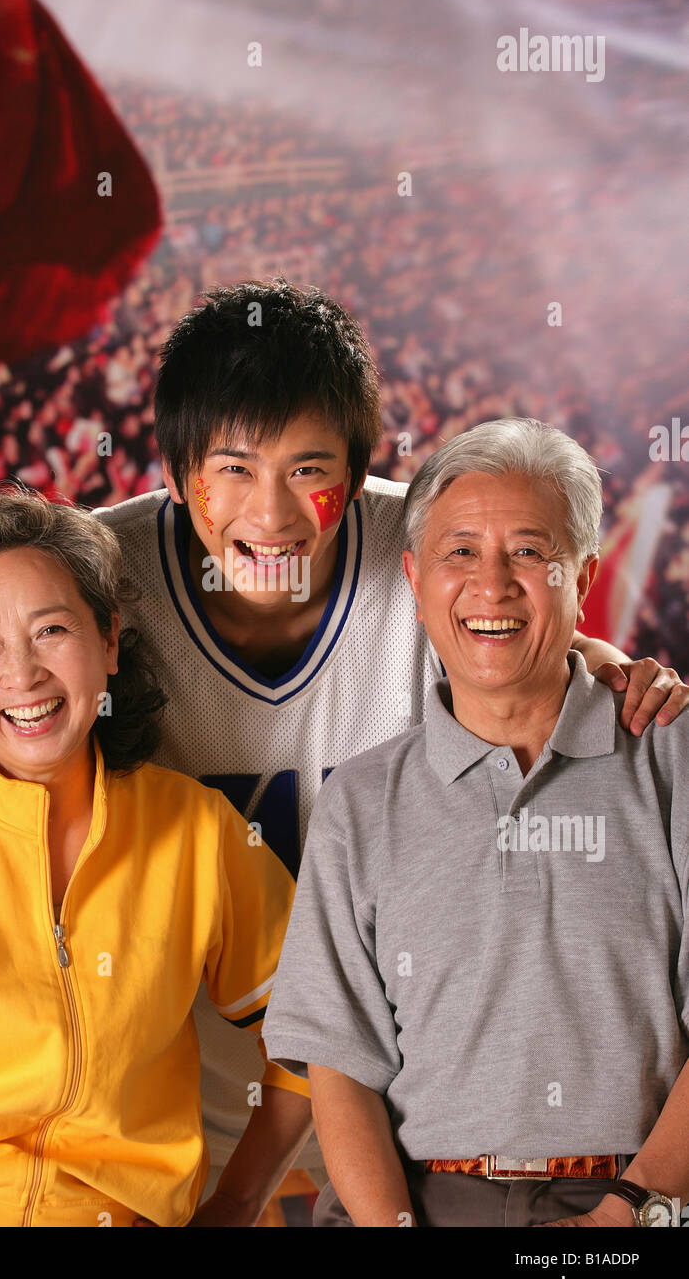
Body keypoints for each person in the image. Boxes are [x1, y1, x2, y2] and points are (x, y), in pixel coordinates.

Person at [0, 281, 689, 1209]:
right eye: (233, 469)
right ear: (173, 474)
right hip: (164, 1146)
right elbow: (5, 669)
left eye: (309, 470)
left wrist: (599, 662)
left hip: (409, 1124)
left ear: (360, 476)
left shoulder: (439, 549)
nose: (273, 513)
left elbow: (521, 598)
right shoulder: (94, 576)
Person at [0, 486, 310, 1227]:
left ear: (109, 640)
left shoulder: (200, 835)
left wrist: (239, 1201)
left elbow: (320, 1031)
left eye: (51, 630)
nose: (22, 674)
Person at [263, 418, 688, 1228]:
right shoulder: (359, 799)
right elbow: (338, 1063)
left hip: (639, 1203)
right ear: (416, 581)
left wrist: (627, 1213)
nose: (491, 585)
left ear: (583, 575)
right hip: (413, 1202)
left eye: (529, 551)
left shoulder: (674, 758)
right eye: (460, 553)